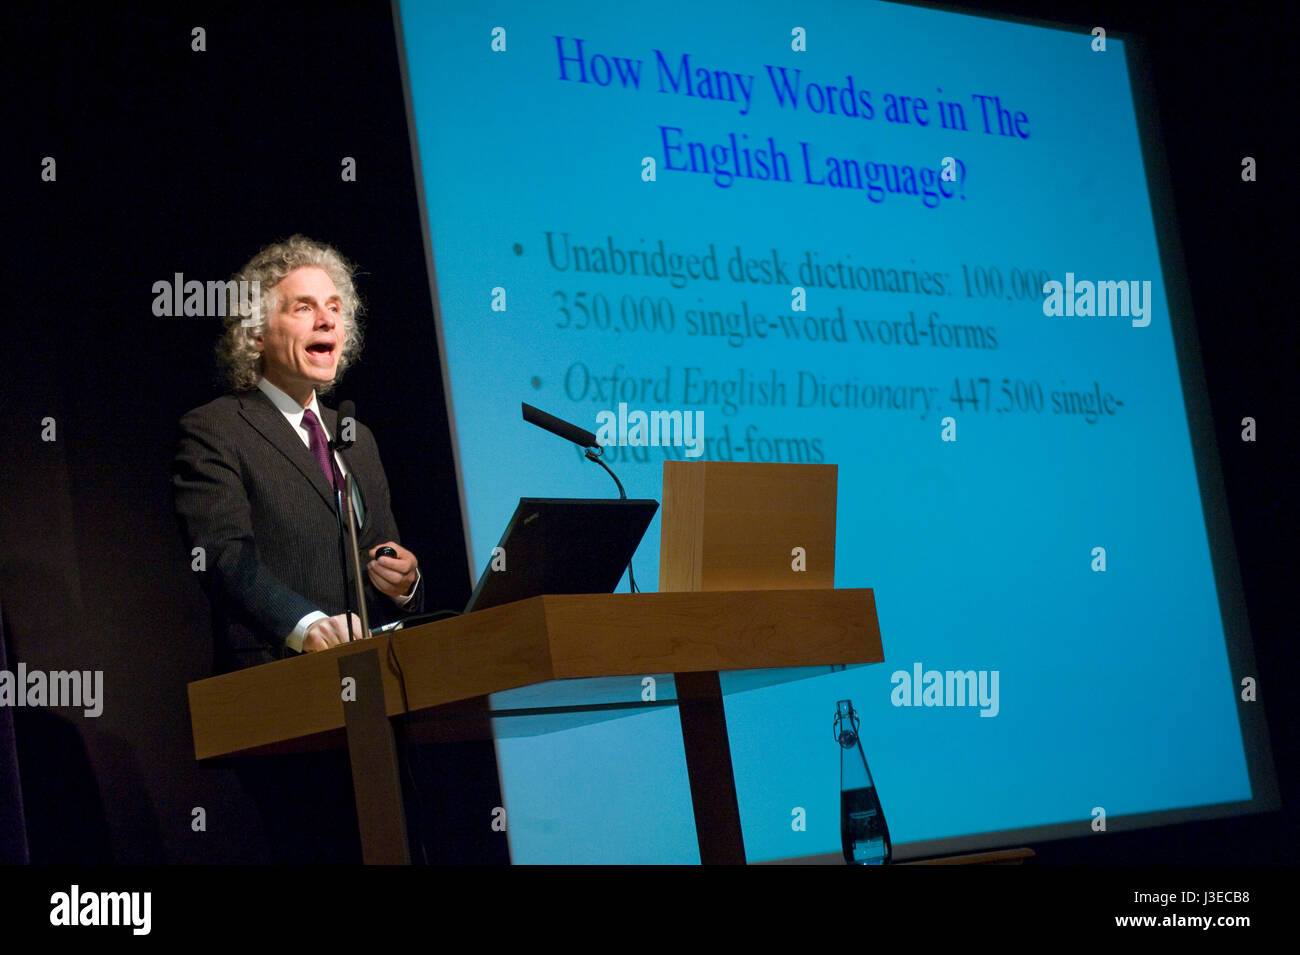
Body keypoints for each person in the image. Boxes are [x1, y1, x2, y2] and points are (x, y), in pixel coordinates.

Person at [171, 235, 424, 862]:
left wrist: (403, 580)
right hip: (281, 695)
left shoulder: (354, 435)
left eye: (335, 307)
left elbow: (381, 550)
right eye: (303, 307)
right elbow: (223, 557)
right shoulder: (217, 428)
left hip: (375, 697)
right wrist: (304, 624)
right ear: (256, 335)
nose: (327, 319)